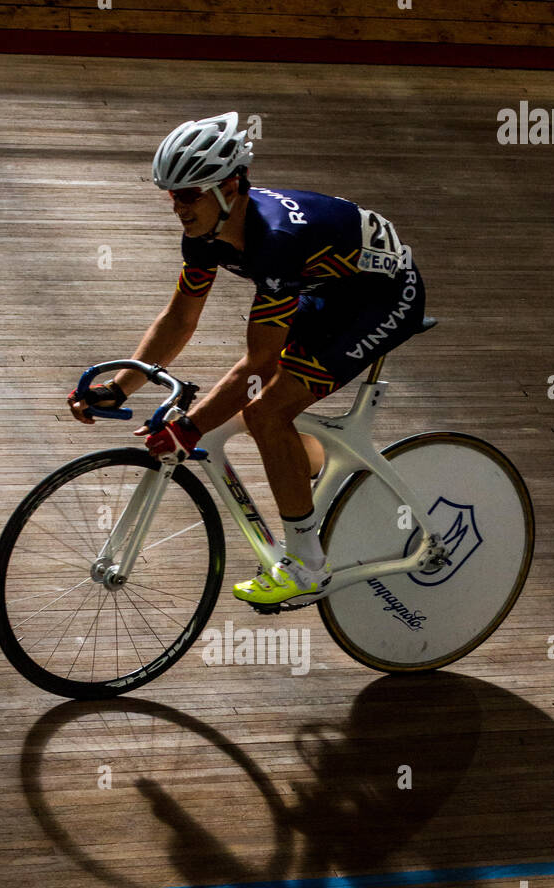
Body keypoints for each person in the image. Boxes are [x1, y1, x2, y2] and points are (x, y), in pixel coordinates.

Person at [69, 112, 427, 609]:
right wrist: (121, 387)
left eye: (189, 193)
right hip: (327, 285)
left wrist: (189, 428)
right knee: (255, 408)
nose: (179, 208)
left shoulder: (276, 242)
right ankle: (319, 465)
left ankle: (306, 566)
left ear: (230, 186)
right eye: (172, 196)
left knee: (264, 409)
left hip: (383, 297)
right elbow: (179, 320)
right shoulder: (203, 236)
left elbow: (259, 364)